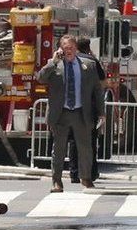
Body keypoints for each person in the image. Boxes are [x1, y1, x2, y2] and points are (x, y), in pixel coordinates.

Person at [37, 34, 104, 193]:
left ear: (76, 49)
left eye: (72, 47)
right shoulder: (54, 65)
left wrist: (102, 113)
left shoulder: (88, 65)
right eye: (66, 48)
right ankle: (57, 181)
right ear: (61, 49)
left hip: (81, 112)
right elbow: (40, 78)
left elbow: (97, 90)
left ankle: (86, 178)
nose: (69, 50)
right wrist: (53, 62)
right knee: (58, 149)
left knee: (85, 148)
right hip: (61, 113)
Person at [67, 38, 104, 184]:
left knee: (74, 141)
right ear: (88, 47)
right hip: (90, 108)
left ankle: (74, 173)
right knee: (90, 142)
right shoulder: (93, 62)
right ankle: (91, 173)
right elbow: (101, 84)